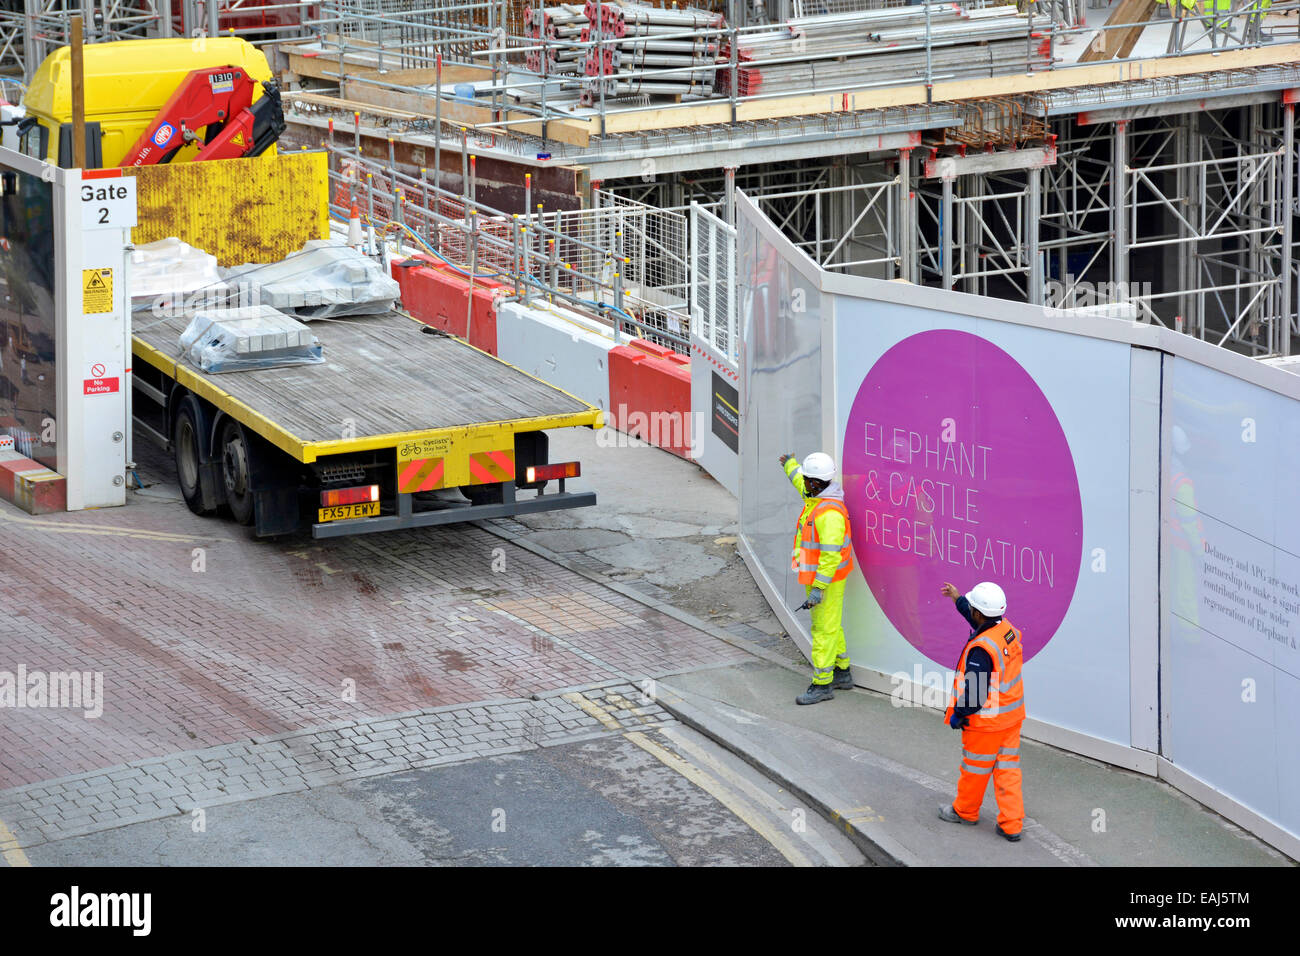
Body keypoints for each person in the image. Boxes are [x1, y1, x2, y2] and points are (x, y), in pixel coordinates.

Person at [937, 580, 1025, 842]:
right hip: (1011, 719)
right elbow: (980, 619)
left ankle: (965, 811)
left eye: (972, 609)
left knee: (974, 770)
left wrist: (959, 714)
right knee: (1007, 771)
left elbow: (975, 693)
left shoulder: (981, 649)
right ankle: (1012, 824)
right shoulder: (1006, 630)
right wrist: (958, 599)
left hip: (985, 723)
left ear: (978, 614)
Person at [780, 451, 854, 705]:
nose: (805, 482)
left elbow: (830, 557)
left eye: (808, 479)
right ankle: (842, 671)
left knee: (823, 629)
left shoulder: (829, 514)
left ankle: (823, 684)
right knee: (831, 624)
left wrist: (818, 588)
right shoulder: (816, 497)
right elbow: (798, 480)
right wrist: (789, 463)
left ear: (818, 483)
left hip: (826, 581)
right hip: (821, 580)